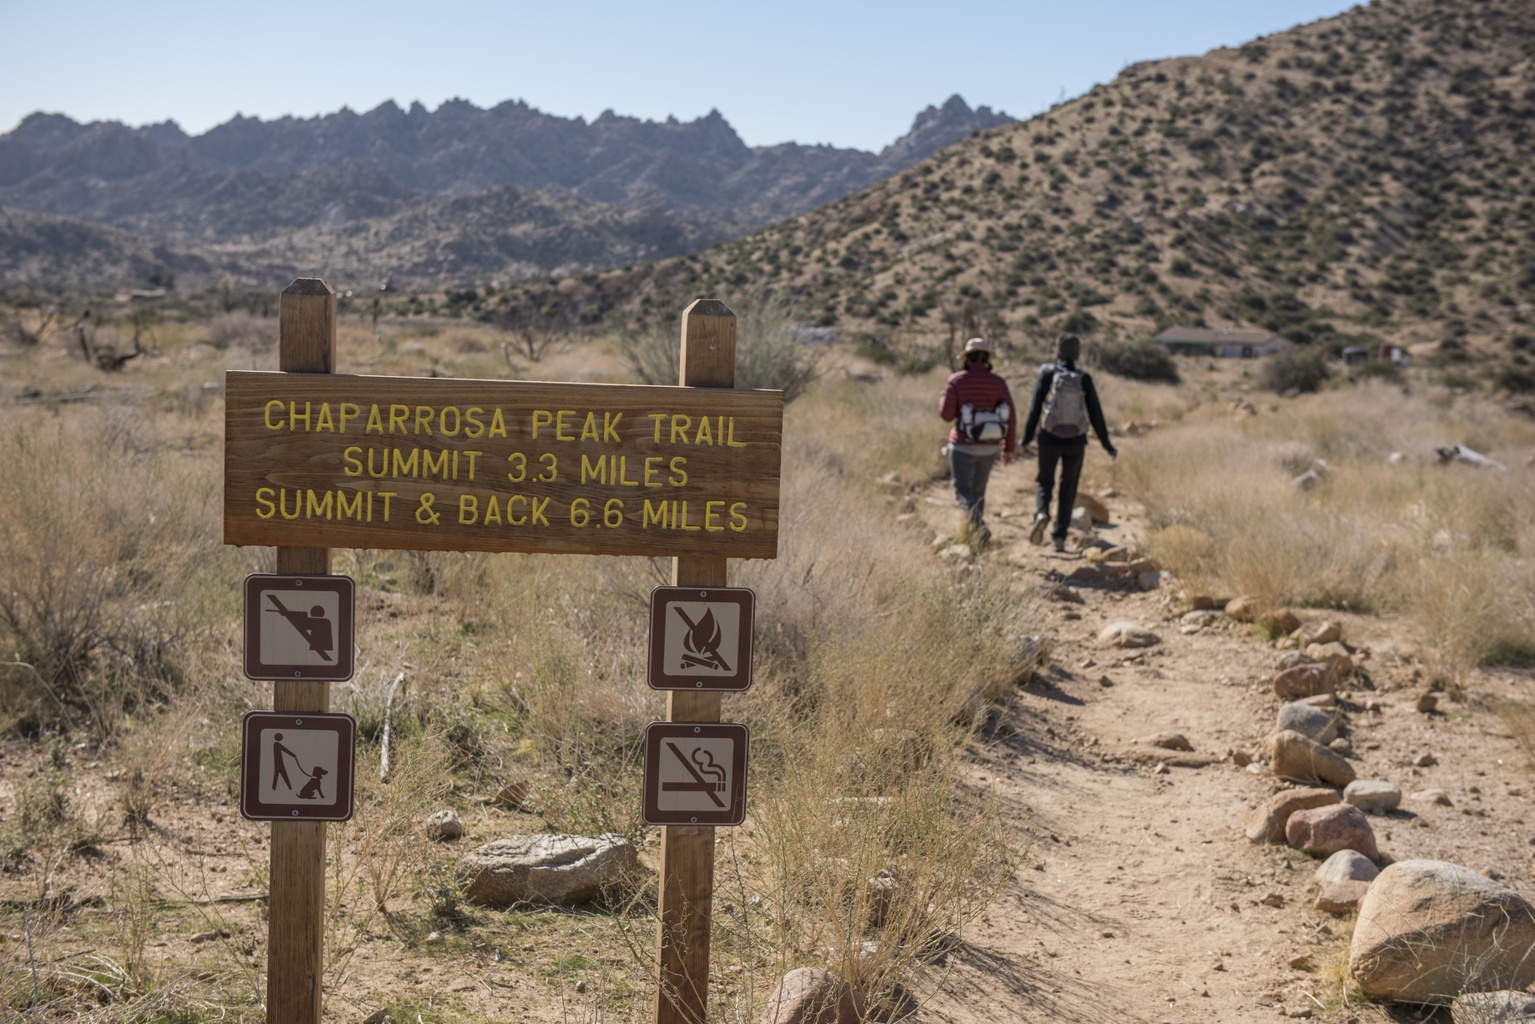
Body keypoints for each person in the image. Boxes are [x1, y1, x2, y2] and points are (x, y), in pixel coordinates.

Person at [1020, 333, 1117, 552]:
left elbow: (1034, 410)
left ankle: (1042, 513)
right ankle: (1059, 537)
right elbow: (1096, 415)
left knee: (1045, 482)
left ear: (1058, 351)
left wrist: (1025, 439)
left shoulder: (1047, 374)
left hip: (1048, 439)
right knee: (1068, 488)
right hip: (1076, 442)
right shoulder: (1083, 378)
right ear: (1077, 353)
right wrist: (1107, 445)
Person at [939, 337, 1017, 545]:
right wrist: (1008, 448)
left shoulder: (957, 381)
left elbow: (946, 415)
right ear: (987, 359)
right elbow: (1011, 417)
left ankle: (977, 528)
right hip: (989, 447)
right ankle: (977, 534)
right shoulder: (998, 383)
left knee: (963, 491)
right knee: (979, 491)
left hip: (962, 446)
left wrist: (943, 397)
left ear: (967, 358)